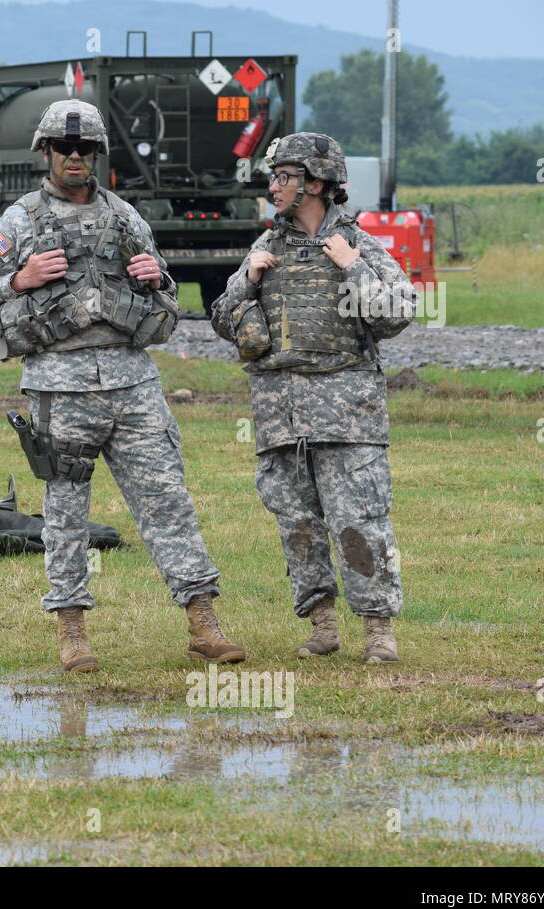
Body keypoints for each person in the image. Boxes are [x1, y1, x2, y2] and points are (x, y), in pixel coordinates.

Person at [0, 99, 245, 673]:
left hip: (133, 385)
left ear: (96, 155)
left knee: (167, 501)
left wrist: (155, 276)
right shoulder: (17, 221)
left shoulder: (126, 219)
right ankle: (72, 631)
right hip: (59, 389)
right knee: (65, 512)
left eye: (85, 149)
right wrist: (20, 277)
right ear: (45, 152)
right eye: (65, 149)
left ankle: (203, 622)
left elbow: (165, 302)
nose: (74, 157)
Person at [210, 131, 414, 663]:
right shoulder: (266, 248)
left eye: (284, 177)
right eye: (272, 176)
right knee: (298, 526)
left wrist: (351, 264)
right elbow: (222, 321)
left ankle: (378, 635)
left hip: (348, 413)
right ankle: (323, 628)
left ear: (316, 184)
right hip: (281, 416)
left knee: (360, 522)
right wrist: (247, 282)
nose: (273, 186)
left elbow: (394, 314)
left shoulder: (361, 246)